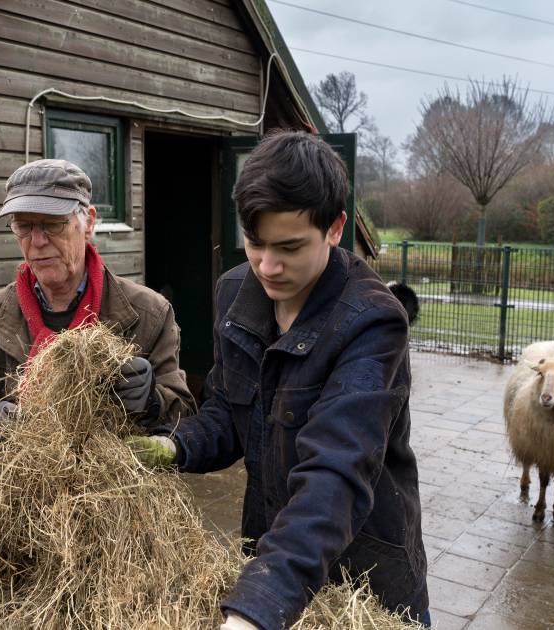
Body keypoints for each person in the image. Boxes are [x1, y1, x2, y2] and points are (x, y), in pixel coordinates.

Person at [127, 132, 429, 629]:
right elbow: (228, 413)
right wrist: (172, 447)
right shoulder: (236, 293)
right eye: (254, 243)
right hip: (270, 558)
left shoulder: (372, 322)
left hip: (363, 587)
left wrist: (254, 610)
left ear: (335, 229)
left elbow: (336, 471)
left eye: (289, 247)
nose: (267, 266)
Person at [0, 159, 195, 439]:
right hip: (15, 481)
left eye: (52, 224)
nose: (37, 241)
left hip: (106, 481)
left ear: (89, 223)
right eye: (24, 226)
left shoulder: (148, 314)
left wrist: (152, 401)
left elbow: (186, 418)